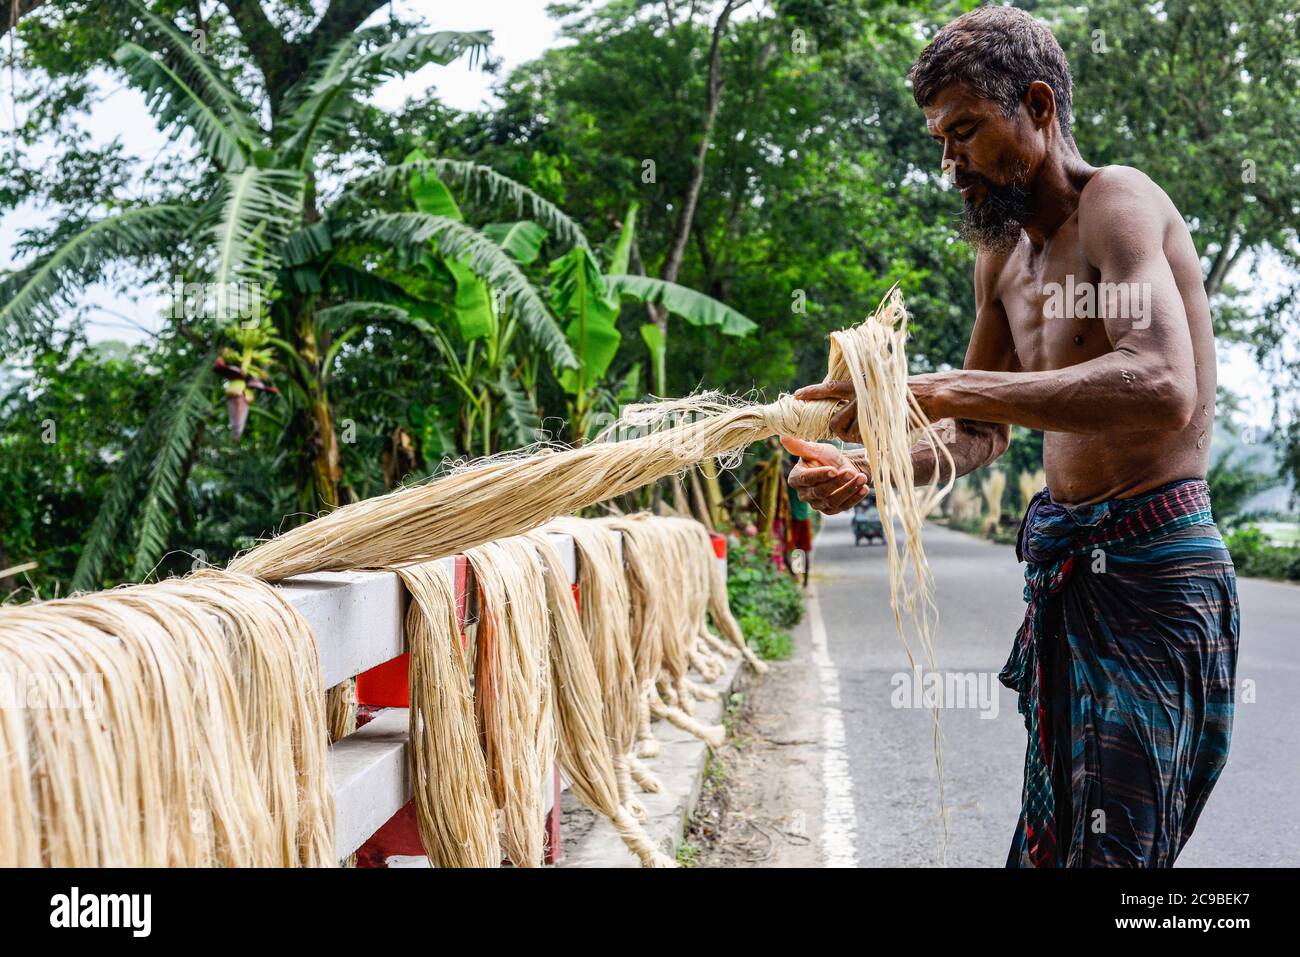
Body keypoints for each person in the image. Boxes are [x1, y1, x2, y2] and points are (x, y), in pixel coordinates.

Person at [781, 6, 1238, 868]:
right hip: (1070, 574)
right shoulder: (1001, 257)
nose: (951, 165)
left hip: (1154, 572)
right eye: (941, 143)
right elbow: (981, 431)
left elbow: (1164, 387)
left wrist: (946, 386)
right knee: (1053, 845)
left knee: (1115, 857)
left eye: (965, 133)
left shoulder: (1119, 204)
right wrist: (869, 467)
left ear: (1036, 106)